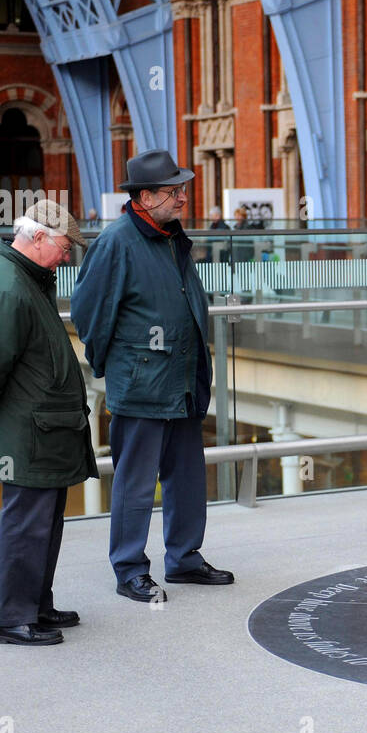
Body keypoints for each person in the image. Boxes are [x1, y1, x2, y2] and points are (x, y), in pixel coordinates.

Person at [70, 149, 234, 602]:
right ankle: (129, 569)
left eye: (182, 189)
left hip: (182, 380)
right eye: (173, 191)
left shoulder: (171, 237)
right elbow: (89, 316)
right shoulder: (117, 242)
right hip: (143, 385)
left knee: (186, 477)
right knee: (135, 483)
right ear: (144, 197)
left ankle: (184, 559)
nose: (183, 198)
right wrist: (121, 366)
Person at [0, 199, 98, 646]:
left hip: (40, 429)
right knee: (26, 524)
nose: (67, 256)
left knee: (44, 522)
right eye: (63, 247)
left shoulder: (23, 277)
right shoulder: (10, 287)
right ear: (36, 236)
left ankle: (36, 605)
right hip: (28, 432)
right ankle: (11, 619)